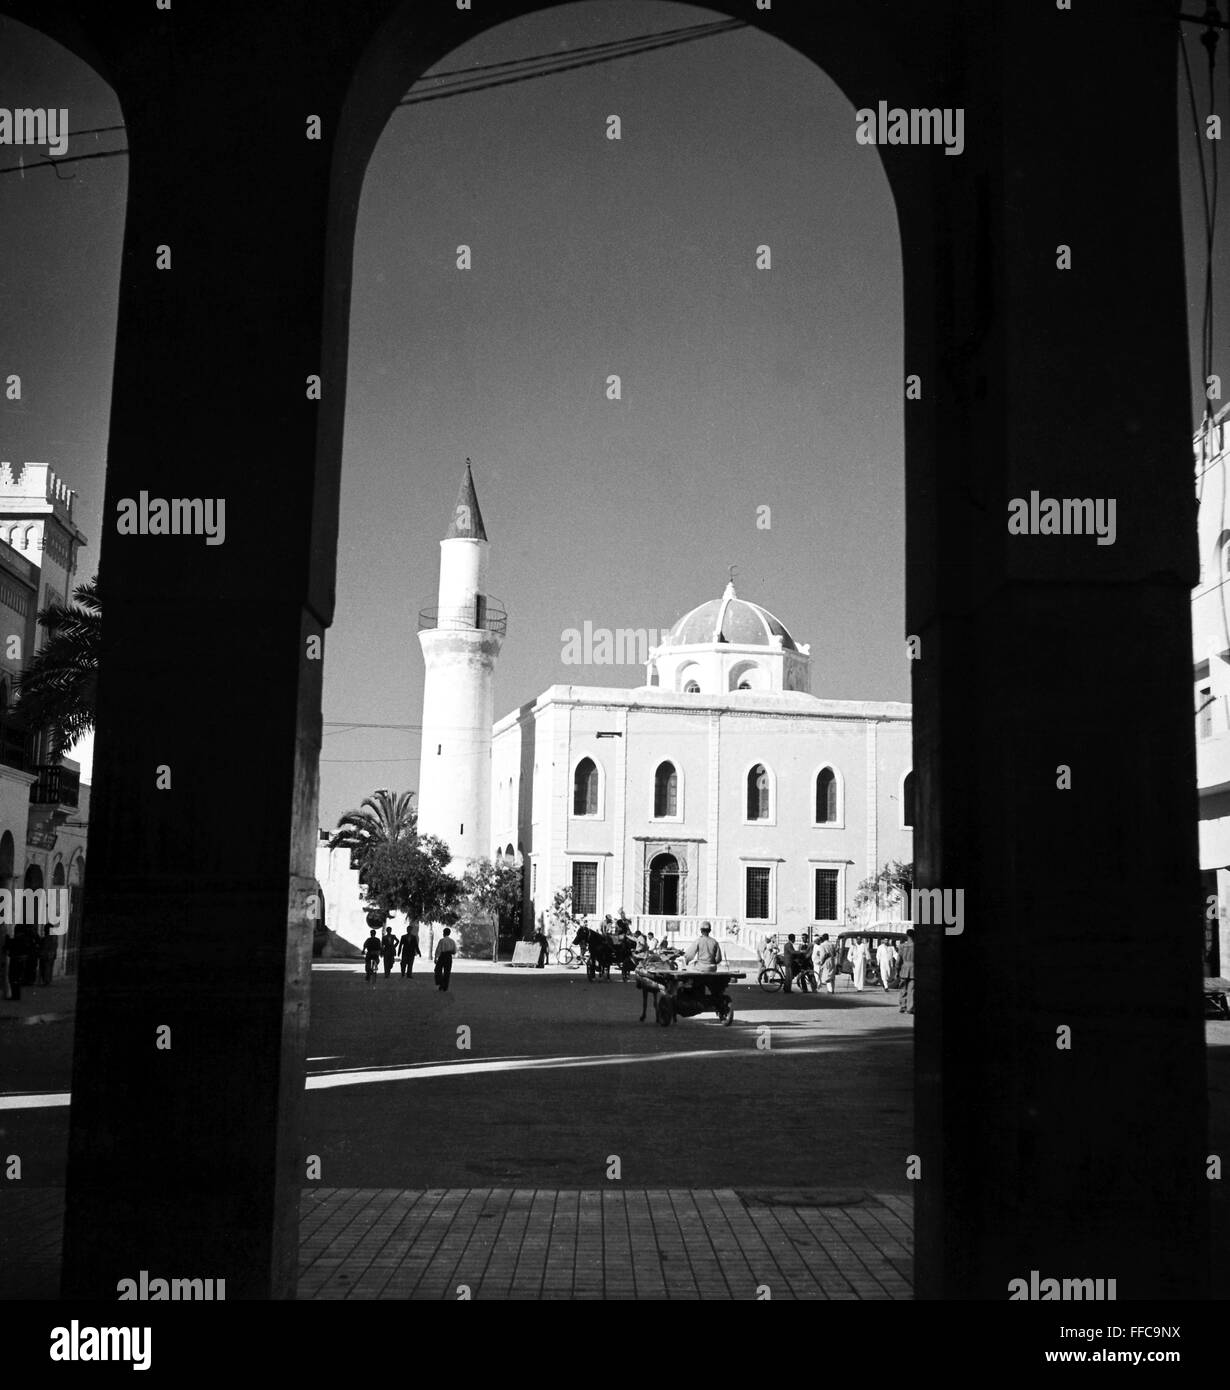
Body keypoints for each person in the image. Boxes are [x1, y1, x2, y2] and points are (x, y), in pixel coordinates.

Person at [683, 922, 725, 1004]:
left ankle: (689, 990)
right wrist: (711, 963)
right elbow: (719, 959)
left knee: (686, 969)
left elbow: (689, 955)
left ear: (701, 931)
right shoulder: (714, 942)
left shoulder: (698, 941)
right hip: (712, 968)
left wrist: (687, 962)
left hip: (701, 968)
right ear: (710, 930)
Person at [4, 923, 35, 1002]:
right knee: (16, 978)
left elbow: (9, 946)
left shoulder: (19, 939)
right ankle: (16, 995)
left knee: (13, 978)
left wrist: (7, 939)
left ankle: (15, 996)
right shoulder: (26, 938)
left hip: (16, 959)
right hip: (22, 959)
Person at [897, 928, 915, 1014]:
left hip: (904, 969)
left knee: (902, 988)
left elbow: (898, 960)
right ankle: (910, 1007)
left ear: (907, 936)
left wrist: (897, 969)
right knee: (911, 989)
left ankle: (902, 1006)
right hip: (913, 970)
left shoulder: (902, 946)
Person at [434, 926, 457, 991]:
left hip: (442, 956)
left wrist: (436, 957)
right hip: (449, 956)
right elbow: (454, 951)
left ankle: (441, 983)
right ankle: (445, 986)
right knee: (447, 972)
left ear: (443, 933)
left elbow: (438, 949)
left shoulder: (442, 940)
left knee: (438, 970)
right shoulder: (452, 941)